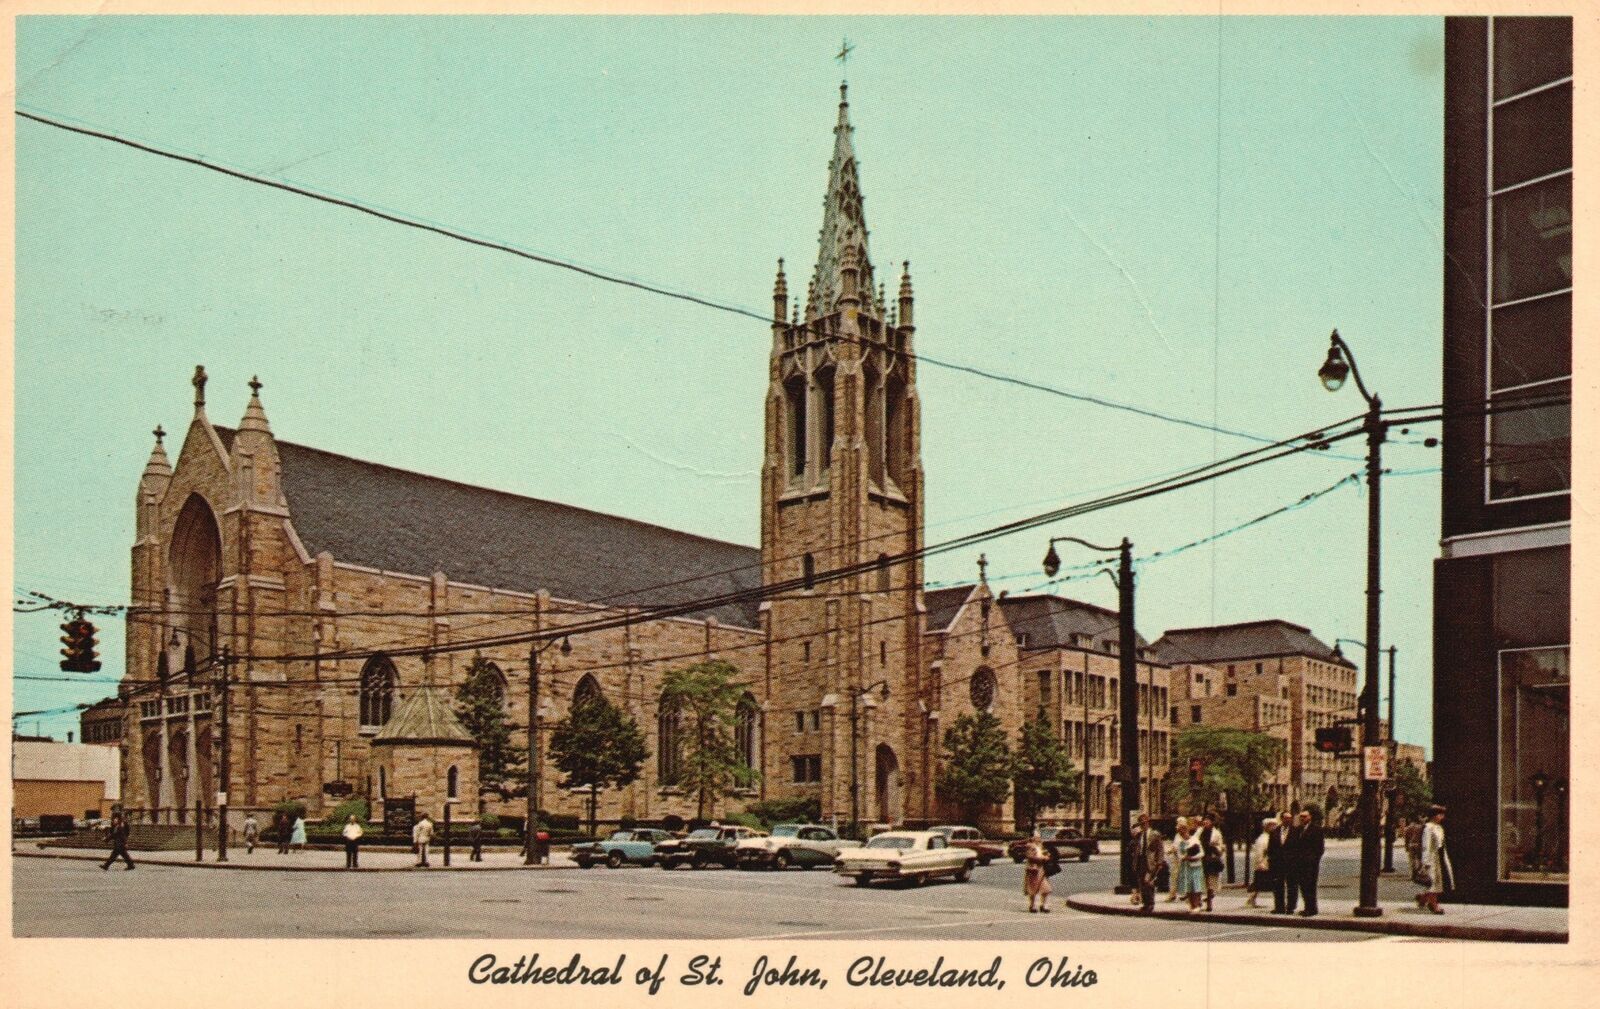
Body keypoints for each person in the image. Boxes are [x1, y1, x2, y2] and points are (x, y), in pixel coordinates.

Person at [1417, 805, 1453, 914]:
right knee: (1433, 882)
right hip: (1431, 858)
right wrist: (1426, 861)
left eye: (1443, 814)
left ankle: (1423, 897)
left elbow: (1442, 844)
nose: (1442, 817)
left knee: (1438, 882)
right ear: (1433, 815)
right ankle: (1434, 905)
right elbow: (1426, 845)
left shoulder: (1439, 827)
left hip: (1439, 857)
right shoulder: (1428, 828)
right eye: (1440, 814)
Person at [1294, 807, 1325, 917]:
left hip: (1311, 865)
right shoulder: (1297, 830)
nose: (1302, 818)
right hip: (1300, 864)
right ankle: (1307, 907)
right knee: (1303, 887)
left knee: (1310, 886)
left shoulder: (1317, 829)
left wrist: (1313, 860)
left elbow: (1320, 848)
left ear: (1310, 817)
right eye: (1301, 816)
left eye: (1305, 816)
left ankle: (1312, 908)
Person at [1133, 812, 1165, 915]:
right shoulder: (1139, 835)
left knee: (1148, 882)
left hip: (1150, 861)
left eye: (1144, 822)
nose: (1143, 825)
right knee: (1142, 882)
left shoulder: (1154, 834)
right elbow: (1136, 848)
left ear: (1148, 822)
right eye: (1141, 823)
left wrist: (1160, 861)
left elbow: (1160, 849)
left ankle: (1151, 903)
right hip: (1141, 860)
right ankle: (1145, 903)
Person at [1197, 811, 1226, 912]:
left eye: (1208, 821)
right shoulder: (1200, 831)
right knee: (1200, 881)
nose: (1206, 822)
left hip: (1211, 859)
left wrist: (1214, 846)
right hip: (1201, 858)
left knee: (1210, 883)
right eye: (1205, 820)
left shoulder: (1216, 833)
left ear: (1212, 822)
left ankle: (1209, 903)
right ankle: (1199, 902)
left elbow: (1221, 848)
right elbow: (1195, 841)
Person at [1173, 820, 1205, 911]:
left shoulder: (1194, 840)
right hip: (1185, 866)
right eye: (1180, 832)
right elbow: (1179, 854)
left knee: (1196, 885)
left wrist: (1193, 857)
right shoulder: (1180, 842)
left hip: (1195, 865)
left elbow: (1202, 853)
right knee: (1188, 886)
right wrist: (1183, 857)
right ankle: (1192, 905)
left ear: (1186, 830)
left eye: (1183, 831)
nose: (1182, 834)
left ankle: (1197, 904)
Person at [1266, 811, 1293, 913]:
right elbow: (1270, 848)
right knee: (1278, 886)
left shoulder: (1295, 831)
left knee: (1291, 886)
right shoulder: (1275, 831)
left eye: (1290, 818)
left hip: (1291, 863)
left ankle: (1290, 907)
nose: (1288, 820)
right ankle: (1279, 907)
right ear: (1282, 819)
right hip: (1278, 863)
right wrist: (1271, 860)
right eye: (1286, 818)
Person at [1246, 816, 1276, 908]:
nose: (1274, 827)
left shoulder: (1271, 836)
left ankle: (1252, 899)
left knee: (1262, 883)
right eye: (1272, 825)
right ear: (1266, 826)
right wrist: (1260, 863)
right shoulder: (1262, 838)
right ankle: (1251, 899)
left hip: (1269, 863)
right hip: (1264, 864)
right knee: (1259, 883)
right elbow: (1259, 853)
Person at [1022, 830, 1053, 913]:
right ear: (1033, 838)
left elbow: (1042, 854)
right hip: (1033, 869)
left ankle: (1044, 905)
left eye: (1039, 836)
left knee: (1046, 888)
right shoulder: (1030, 846)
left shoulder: (1040, 846)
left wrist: (1046, 856)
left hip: (1041, 869)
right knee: (1033, 888)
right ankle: (1033, 906)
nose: (1039, 838)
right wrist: (1043, 858)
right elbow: (1030, 857)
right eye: (1037, 836)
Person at [1166, 816, 1188, 901]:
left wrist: (1174, 849)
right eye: (1178, 824)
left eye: (1179, 824)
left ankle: (1185, 893)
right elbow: (1175, 845)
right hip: (1176, 859)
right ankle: (1172, 894)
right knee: (1174, 877)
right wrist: (1171, 850)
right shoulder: (1177, 835)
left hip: (1183, 858)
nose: (1178, 827)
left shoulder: (1186, 835)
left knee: (1184, 876)